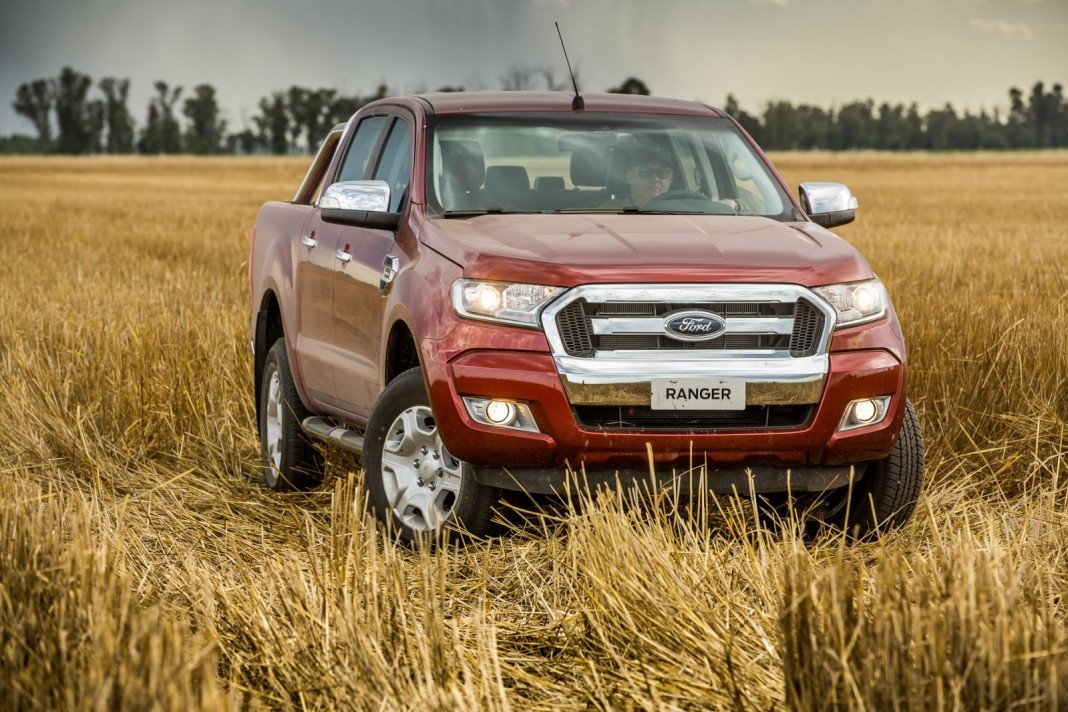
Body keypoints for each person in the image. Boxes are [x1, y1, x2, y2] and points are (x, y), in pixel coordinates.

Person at [600, 145, 675, 209]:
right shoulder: (605, 213)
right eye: (645, 172)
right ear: (629, 176)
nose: (655, 179)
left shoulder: (682, 214)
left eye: (662, 173)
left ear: (670, 179)